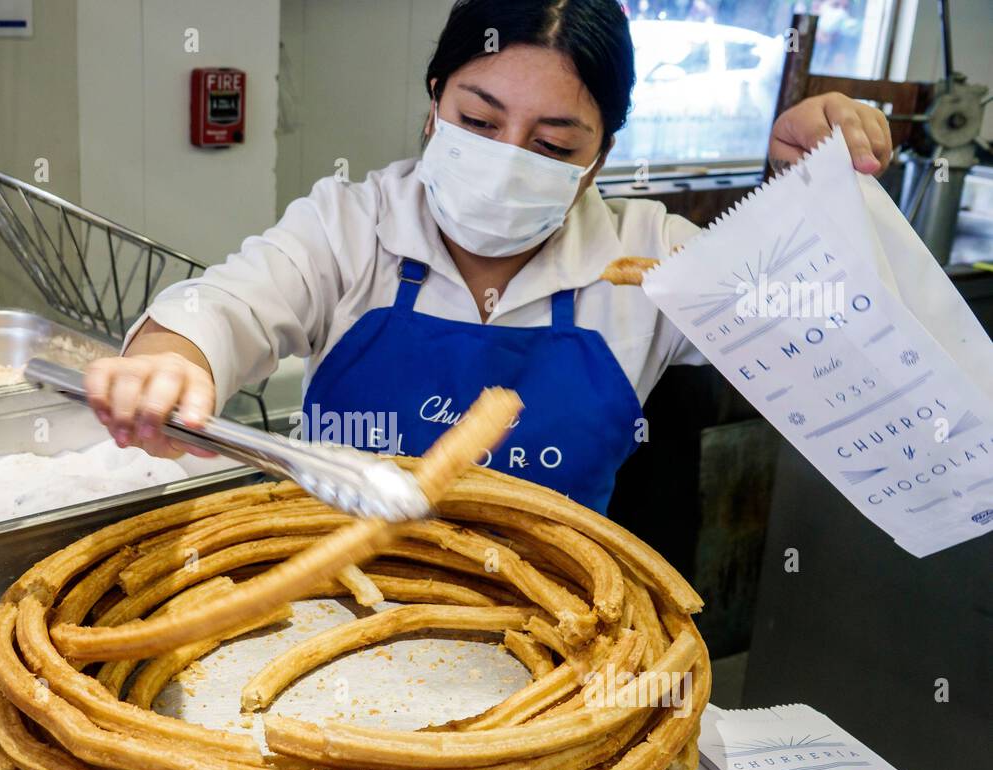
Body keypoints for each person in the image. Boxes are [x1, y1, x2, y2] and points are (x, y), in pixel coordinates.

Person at [85, 0, 891, 513]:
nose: (509, 158)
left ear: (601, 155)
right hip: (336, 610)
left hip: (555, 643)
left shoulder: (651, 259)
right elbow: (227, 305)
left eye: (551, 142)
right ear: (434, 101)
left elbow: (821, 352)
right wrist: (172, 358)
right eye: (478, 120)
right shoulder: (351, 224)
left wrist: (806, 200)